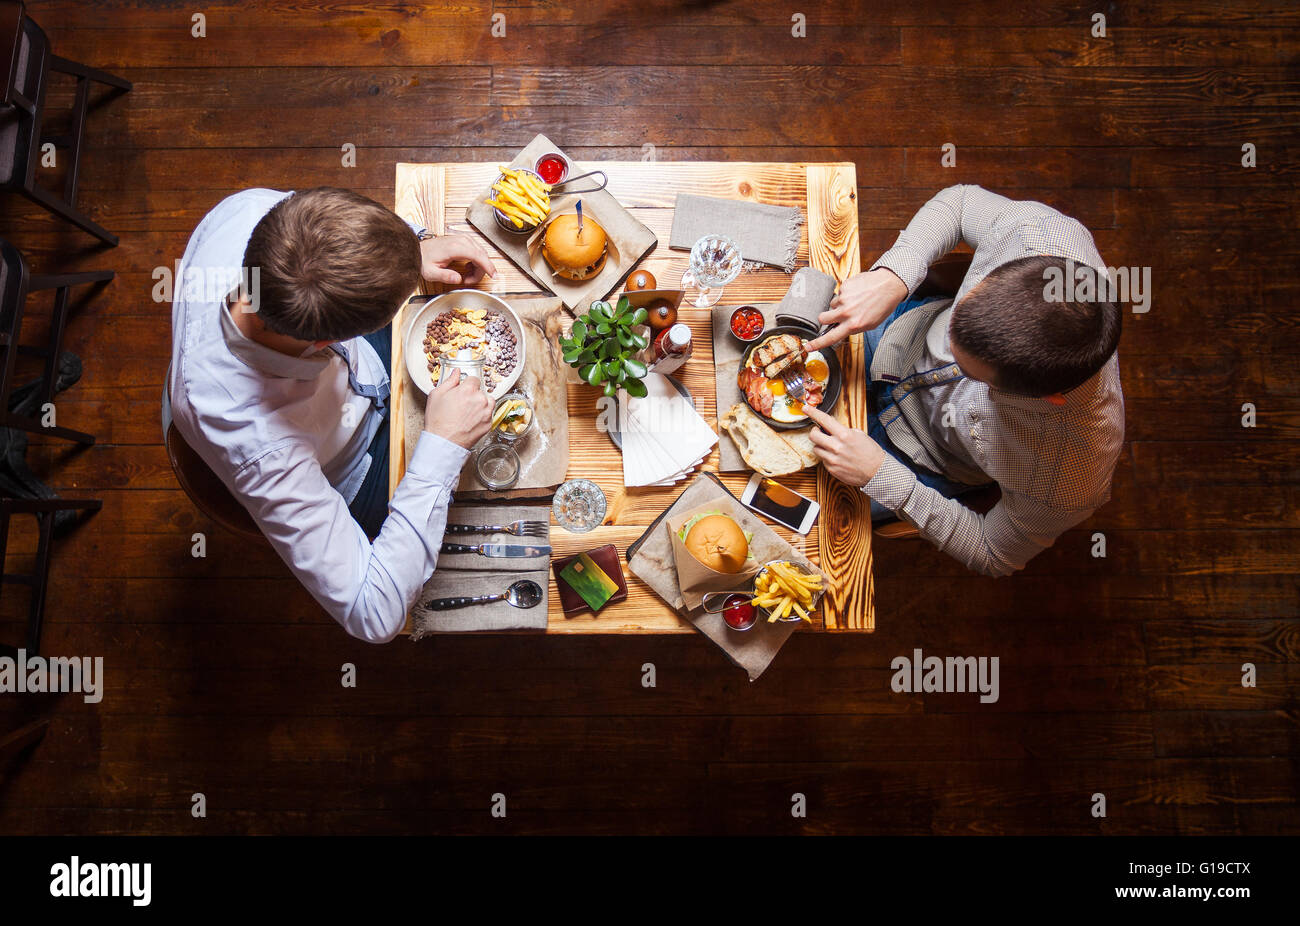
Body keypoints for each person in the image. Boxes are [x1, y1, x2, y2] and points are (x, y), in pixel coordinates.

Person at [165, 187, 497, 641]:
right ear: (328, 343)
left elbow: (321, 246)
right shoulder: (263, 446)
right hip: (348, 466)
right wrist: (442, 446)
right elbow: (374, 615)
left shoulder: (252, 212)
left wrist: (409, 252)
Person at [803, 184, 1125, 577]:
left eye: (969, 371)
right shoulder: (1042, 234)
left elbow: (995, 554)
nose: (944, 358)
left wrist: (887, 480)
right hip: (892, 331)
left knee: (806, 517)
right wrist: (895, 275)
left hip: (911, 459)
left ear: (1051, 398)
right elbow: (959, 203)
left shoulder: (1068, 474)